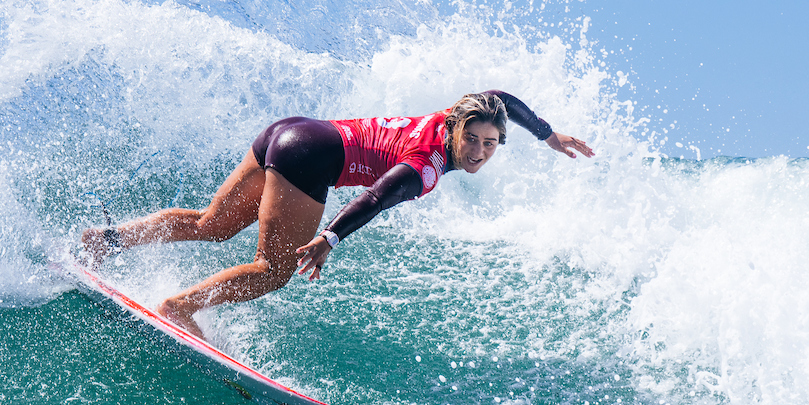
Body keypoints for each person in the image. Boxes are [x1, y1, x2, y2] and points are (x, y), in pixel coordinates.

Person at [81, 90, 593, 338]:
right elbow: (377, 196)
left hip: (290, 131)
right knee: (273, 270)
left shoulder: (451, 114)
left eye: (490, 143)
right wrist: (330, 237)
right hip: (311, 157)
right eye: (472, 139)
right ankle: (179, 307)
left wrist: (547, 134)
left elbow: (501, 99)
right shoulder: (429, 165)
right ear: (456, 131)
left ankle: (107, 240)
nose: (479, 151)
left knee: (212, 225)